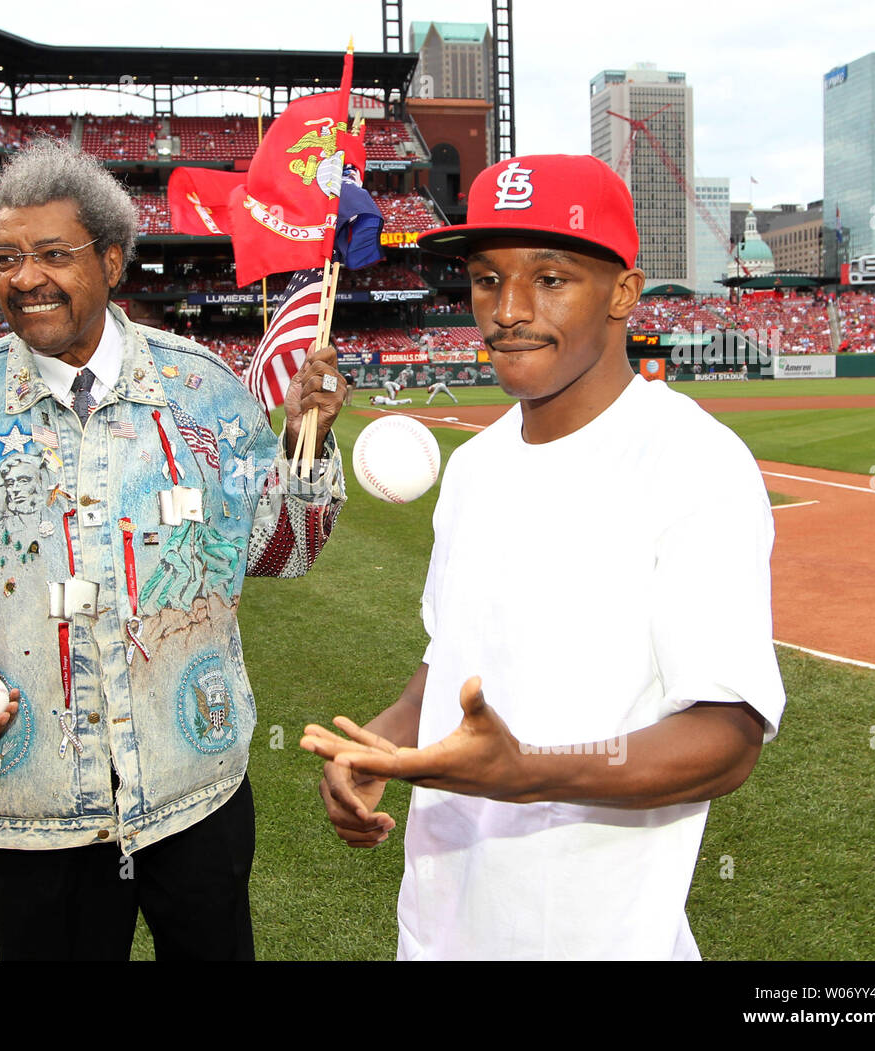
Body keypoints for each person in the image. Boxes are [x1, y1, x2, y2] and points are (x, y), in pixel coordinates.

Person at [0, 138, 348, 961]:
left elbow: (284, 546)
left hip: (193, 785)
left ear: (111, 259)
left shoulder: (201, 390)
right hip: (34, 804)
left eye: (52, 253)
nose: (25, 276)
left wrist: (304, 442)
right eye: (5, 257)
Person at [302, 154, 786, 960]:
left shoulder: (695, 462)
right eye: (487, 280)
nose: (508, 310)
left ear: (623, 294)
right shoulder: (477, 466)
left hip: (600, 936)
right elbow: (452, 660)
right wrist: (386, 745)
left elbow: (727, 735)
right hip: (441, 928)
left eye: (550, 277)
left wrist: (532, 769)